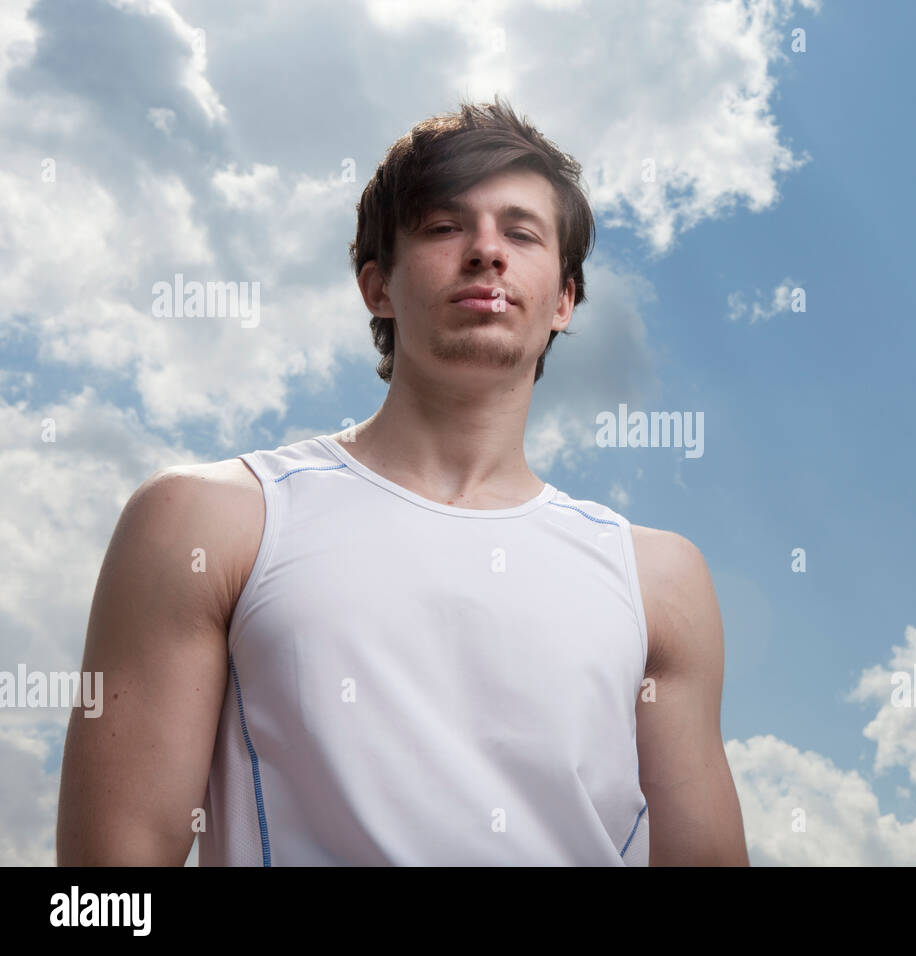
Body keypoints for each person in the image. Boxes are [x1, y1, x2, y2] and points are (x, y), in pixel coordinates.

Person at [55, 95, 749, 866]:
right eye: (445, 226)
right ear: (376, 286)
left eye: (521, 232)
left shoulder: (659, 579)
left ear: (563, 299)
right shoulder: (209, 520)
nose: (487, 252)